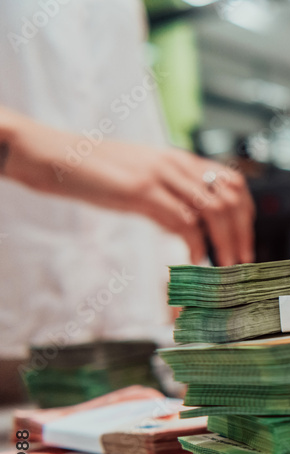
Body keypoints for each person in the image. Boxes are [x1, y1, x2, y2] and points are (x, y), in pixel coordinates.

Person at [0, 0, 254, 402]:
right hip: (15, 339)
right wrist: (37, 149)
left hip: (128, 341)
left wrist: (175, 262)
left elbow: (126, 111)